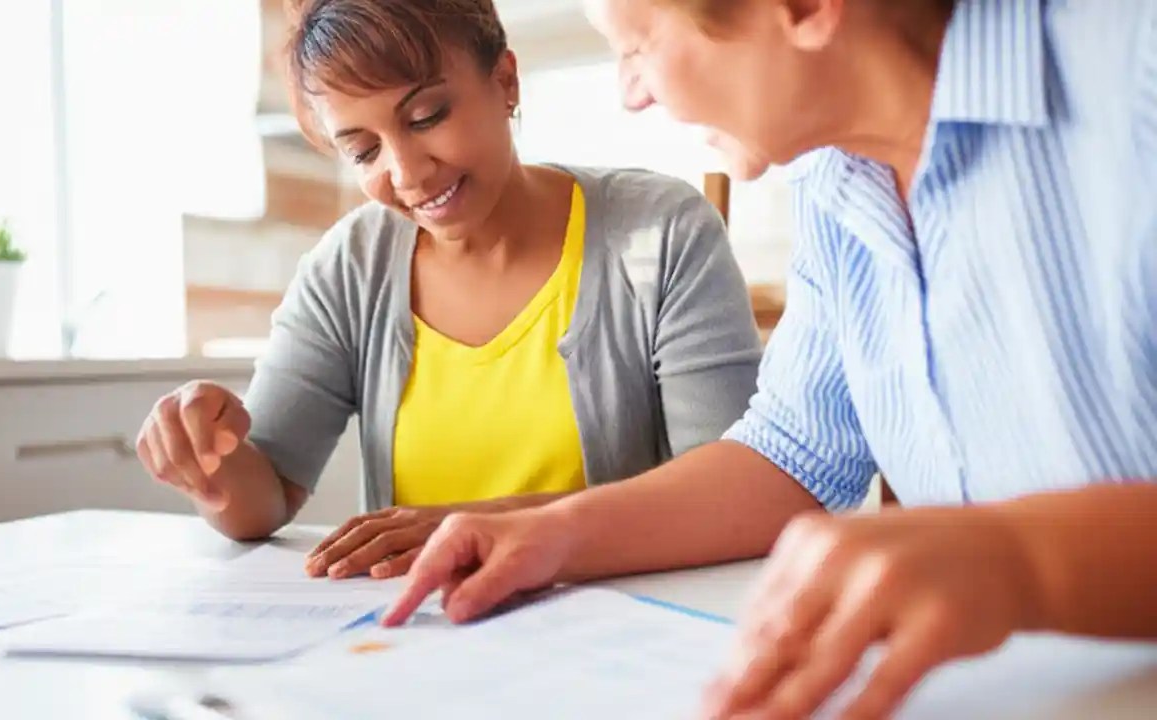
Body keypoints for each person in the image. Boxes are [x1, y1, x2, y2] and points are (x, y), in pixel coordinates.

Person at [384, 0, 1157, 717]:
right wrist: (559, 530)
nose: (632, 94)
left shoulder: (1134, 73)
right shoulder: (833, 177)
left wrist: (1021, 559)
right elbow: (791, 457)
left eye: (640, 46)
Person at [134, 0, 763, 582]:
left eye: (427, 116)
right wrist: (206, 457)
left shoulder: (660, 233)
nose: (406, 172)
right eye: (363, 150)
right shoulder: (349, 267)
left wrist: (492, 526)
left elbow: (733, 491)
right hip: (420, 643)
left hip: (618, 633)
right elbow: (265, 493)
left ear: (506, 81)